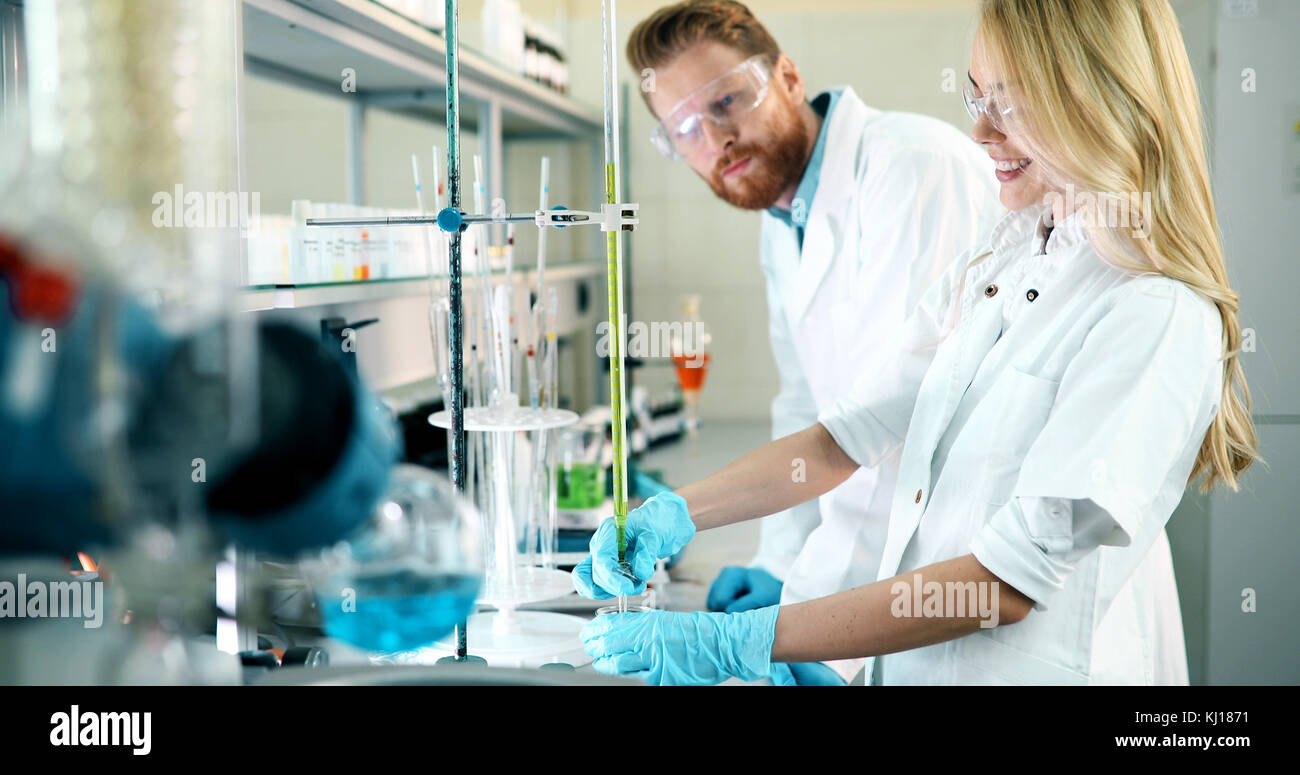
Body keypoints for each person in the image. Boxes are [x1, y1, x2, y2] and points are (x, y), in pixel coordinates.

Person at [573, 0, 1257, 686]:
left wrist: (753, 640)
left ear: (1098, 99)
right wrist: (680, 513)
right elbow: (845, 437)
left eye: (1010, 103)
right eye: (976, 95)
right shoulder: (1004, 262)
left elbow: (1003, 584)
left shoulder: (1153, 310)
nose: (980, 129)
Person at [613, 0, 1000, 684]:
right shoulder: (782, 215)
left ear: (787, 76)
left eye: (727, 100)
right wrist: (778, 564)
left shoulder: (909, 169)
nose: (716, 139)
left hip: (967, 569)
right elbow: (805, 406)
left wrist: (798, 627)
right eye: (684, 130)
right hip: (898, 577)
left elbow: (890, 434)